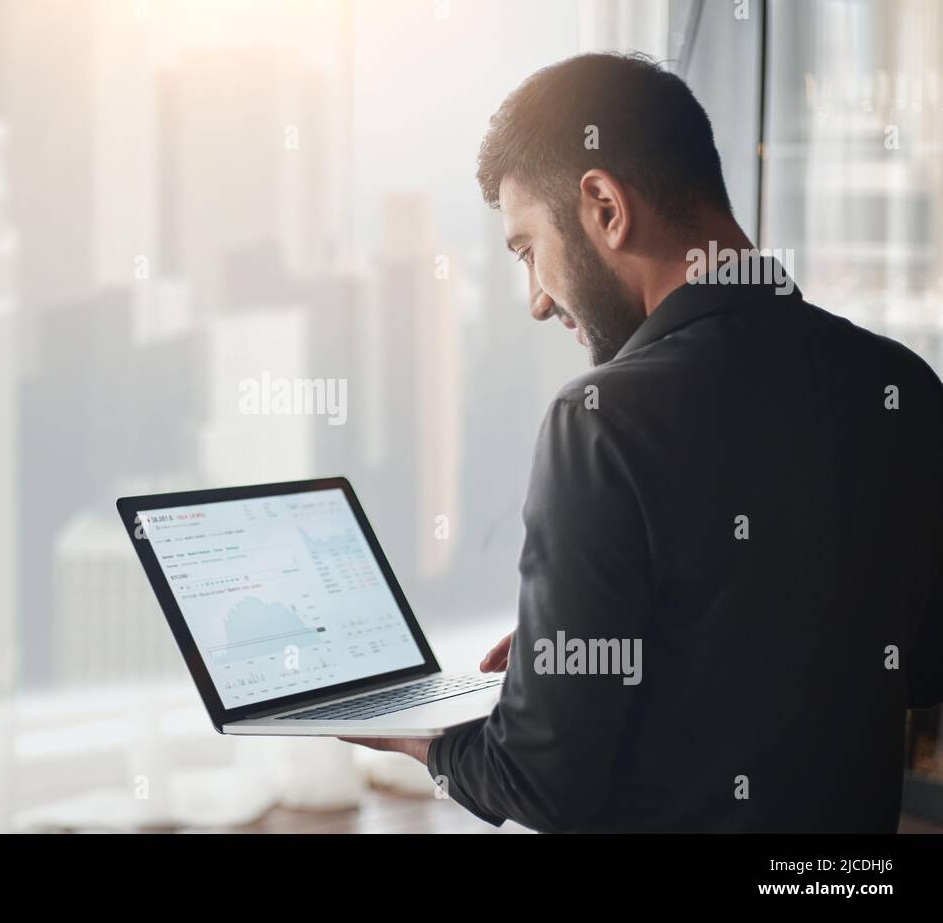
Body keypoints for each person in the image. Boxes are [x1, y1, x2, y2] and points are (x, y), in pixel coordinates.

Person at [345, 53, 943, 832]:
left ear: (604, 206)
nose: (535, 301)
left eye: (528, 250)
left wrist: (416, 736)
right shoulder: (898, 379)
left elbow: (537, 783)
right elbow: (921, 661)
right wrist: (611, 629)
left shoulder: (600, 419)